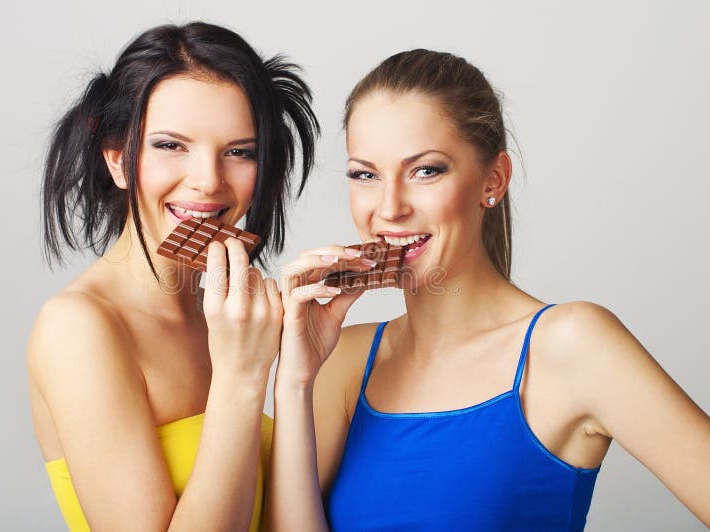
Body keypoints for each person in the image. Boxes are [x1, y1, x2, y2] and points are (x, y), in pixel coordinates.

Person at [269, 49, 710, 530]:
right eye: (365, 174)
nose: (389, 207)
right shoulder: (343, 361)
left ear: (492, 180)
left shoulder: (572, 345)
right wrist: (293, 382)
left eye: (426, 170)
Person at [27, 22, 317, 531]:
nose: (208, 180)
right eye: (171, 145)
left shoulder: (231, 319)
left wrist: (295, 376)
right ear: (118, 158)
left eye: (239, 151)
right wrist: (241, 378)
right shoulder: (78, 328)